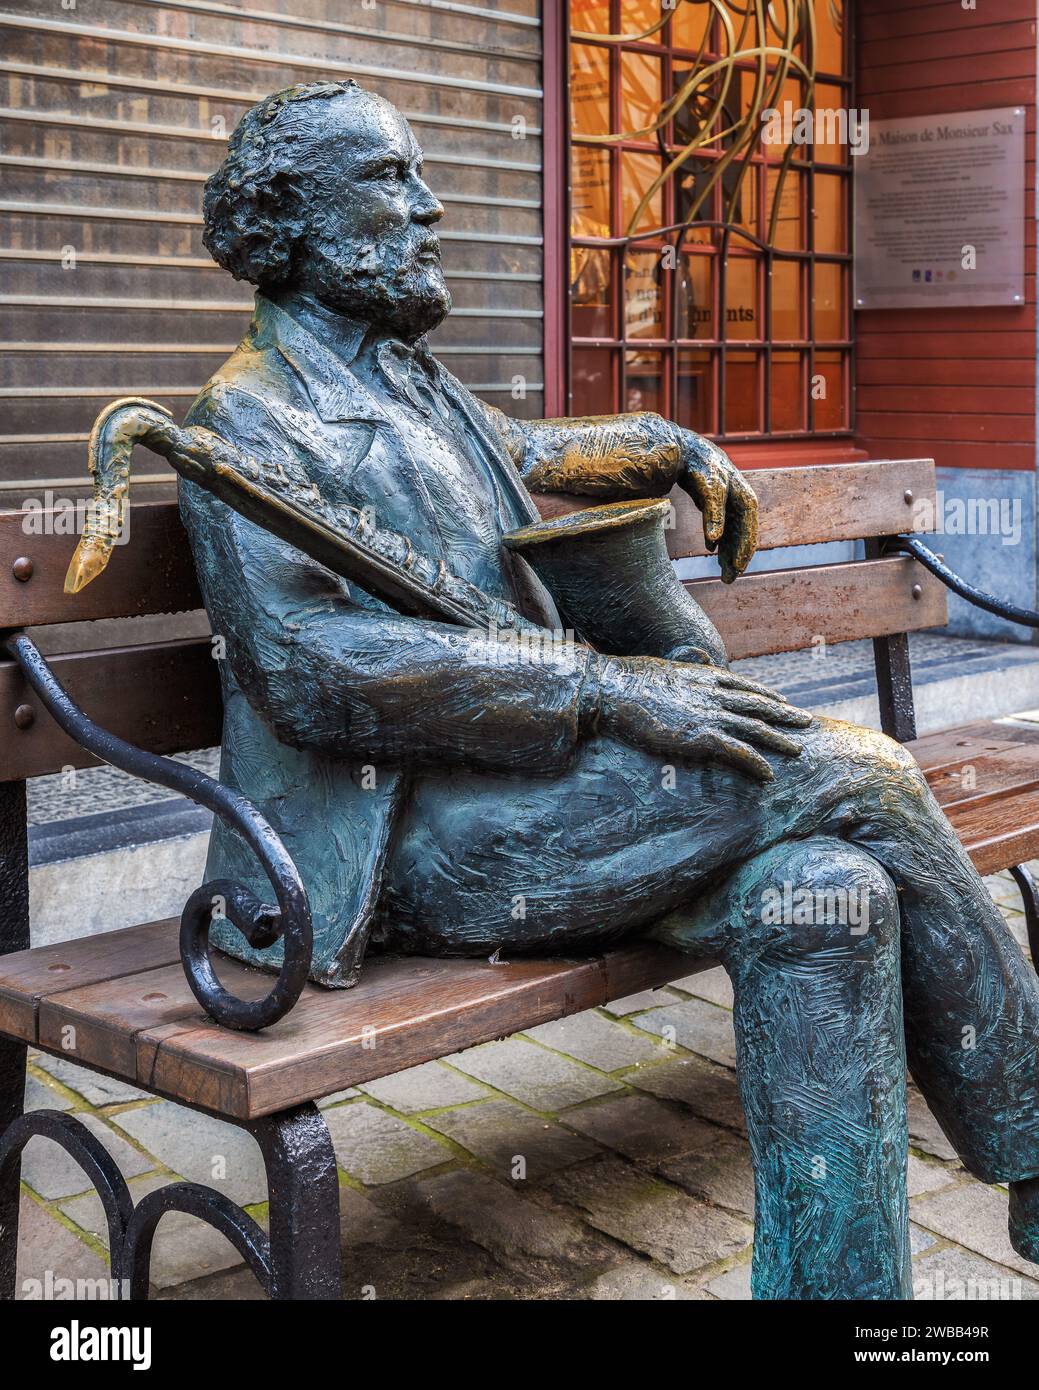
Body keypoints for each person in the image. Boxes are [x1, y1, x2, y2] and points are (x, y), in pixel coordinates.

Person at [180, 80, 1039, 1298]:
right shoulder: (247, 421)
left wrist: (658, 437)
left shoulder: (409, 382)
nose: (427, 209)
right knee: (857, 767)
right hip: (399, 840)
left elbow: (521, 452)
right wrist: (610, 693)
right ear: (294, 219)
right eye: (389, 180)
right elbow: (316, 671)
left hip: (535, 799)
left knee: (827, 894)